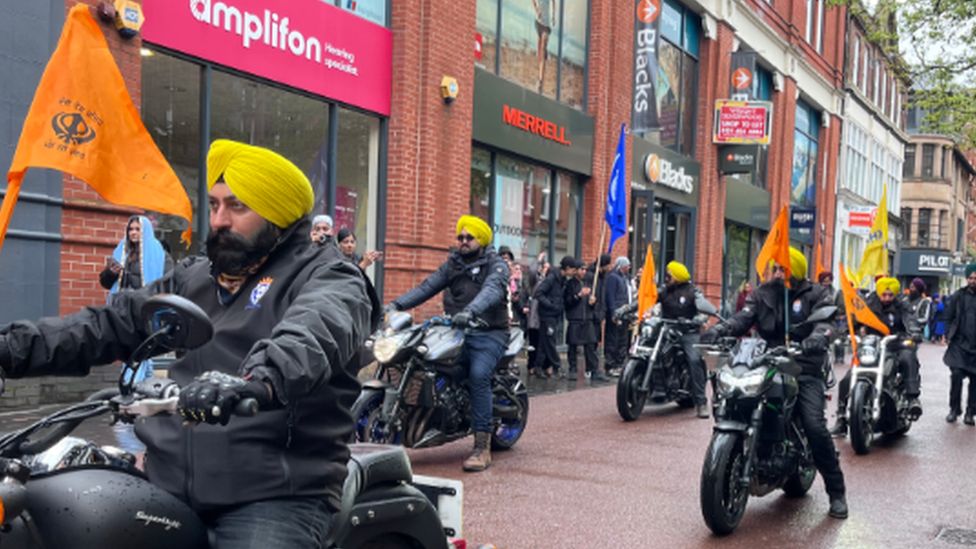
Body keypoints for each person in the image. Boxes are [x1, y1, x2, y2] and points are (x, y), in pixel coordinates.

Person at [0, 140, 376, 547]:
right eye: (214, 206)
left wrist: (256, 380)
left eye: (237, 207)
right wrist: (10, 349)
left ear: (277, 214)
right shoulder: (196, 279)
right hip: (169, 479)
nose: (218, 221)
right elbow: (108, 324)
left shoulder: (330, 276)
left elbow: (315, 331)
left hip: (273, 493)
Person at [701, 247, 848, 519]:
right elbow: (743, 318)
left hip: (802, 365)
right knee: (734, 396)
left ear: (796, 269)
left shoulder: (816, 294)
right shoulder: (763, 293)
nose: (777, 273)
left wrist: (816, 339)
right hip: (764, 361)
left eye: (783, 268)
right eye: (776, 268)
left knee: (815, 426)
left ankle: (836, 492)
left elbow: (826, 324)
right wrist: (719, 330)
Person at [387, 215, 509, 472]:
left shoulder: (496, 265)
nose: (463, 242)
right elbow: (427, 286)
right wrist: (396, 305)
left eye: (469, 238)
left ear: (482, 239)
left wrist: (472, 311)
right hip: (456, 330)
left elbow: (492, 290)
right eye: (460, 237)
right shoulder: (453, 264)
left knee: (478, 375)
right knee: (422, 360)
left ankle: (481, 447)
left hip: (489, 332)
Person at [829, 277, 923, 436]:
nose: (886, 298)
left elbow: (910, 319)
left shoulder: (902, 304)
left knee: (908, 357)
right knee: (847, 379)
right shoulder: (869, 302)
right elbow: (856, 317)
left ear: (895, 293)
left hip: (895, 343)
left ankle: (913, 397)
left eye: (890, 295)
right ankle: (842, 418)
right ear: (878, 293)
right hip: (872, 345)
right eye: (883, 295)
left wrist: (913, 332)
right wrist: (843, 332)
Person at [657, 261, 715, 418]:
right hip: (667, 329)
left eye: (669, 275)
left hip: (688, 332)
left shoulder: (693, 291)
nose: (666, 278)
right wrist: (624, 309)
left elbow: (703, 308)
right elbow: (646, 299)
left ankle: (701, 403)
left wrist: (698, 319)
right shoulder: (664, 290)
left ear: (677, 276)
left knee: (694, 359)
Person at [942, 264, 976, 425]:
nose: (973, 281)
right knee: (956, 375)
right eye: (970, 278)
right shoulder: (958, 296)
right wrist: (947, 334)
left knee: (975, 381)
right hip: (959, 344)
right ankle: (954, 409)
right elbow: (948, 316)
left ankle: (970, 412)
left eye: (975, 278)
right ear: (967, 279)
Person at [564, 256, 607, 381]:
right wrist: (578, 295)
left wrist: (593, 302)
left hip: (587, 318)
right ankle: (572, 369)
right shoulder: (570, 284)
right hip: (575, 318)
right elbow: (567, 302)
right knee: (572, 346)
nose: (584, 272)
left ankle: (593, 370)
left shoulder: (589, 283)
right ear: (576, 270)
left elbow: (594, 303)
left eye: (585, 269)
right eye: (581, 269)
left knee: (590, 345)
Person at [532, 255, 576, 378]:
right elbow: (538, 293)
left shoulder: (562, 280)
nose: (573, 272)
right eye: (572, 269)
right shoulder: (552, 278)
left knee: (543, 342)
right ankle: (557, 366)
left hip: (554, 314)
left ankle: (538, 366)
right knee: (550, 342)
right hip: (548, 315)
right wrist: (550, 305)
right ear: (567, 268)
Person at [604, 256, 633, 376]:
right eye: (626, 266)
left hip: (624, 314)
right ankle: (611, 364)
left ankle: (619, 364)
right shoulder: (613, 278)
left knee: (622, 340)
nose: (628, 268)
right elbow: (610, 297)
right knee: (613, 340)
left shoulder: (624, 278)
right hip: (616, 314)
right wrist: (613, 313)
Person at [533, 0, 554, 94]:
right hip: (538, 22)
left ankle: (541, 80)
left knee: (543, 48)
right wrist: (536, 9)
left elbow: (553, 2)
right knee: (539, 53)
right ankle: (539, 77)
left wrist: (553, 16)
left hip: (546, 24)